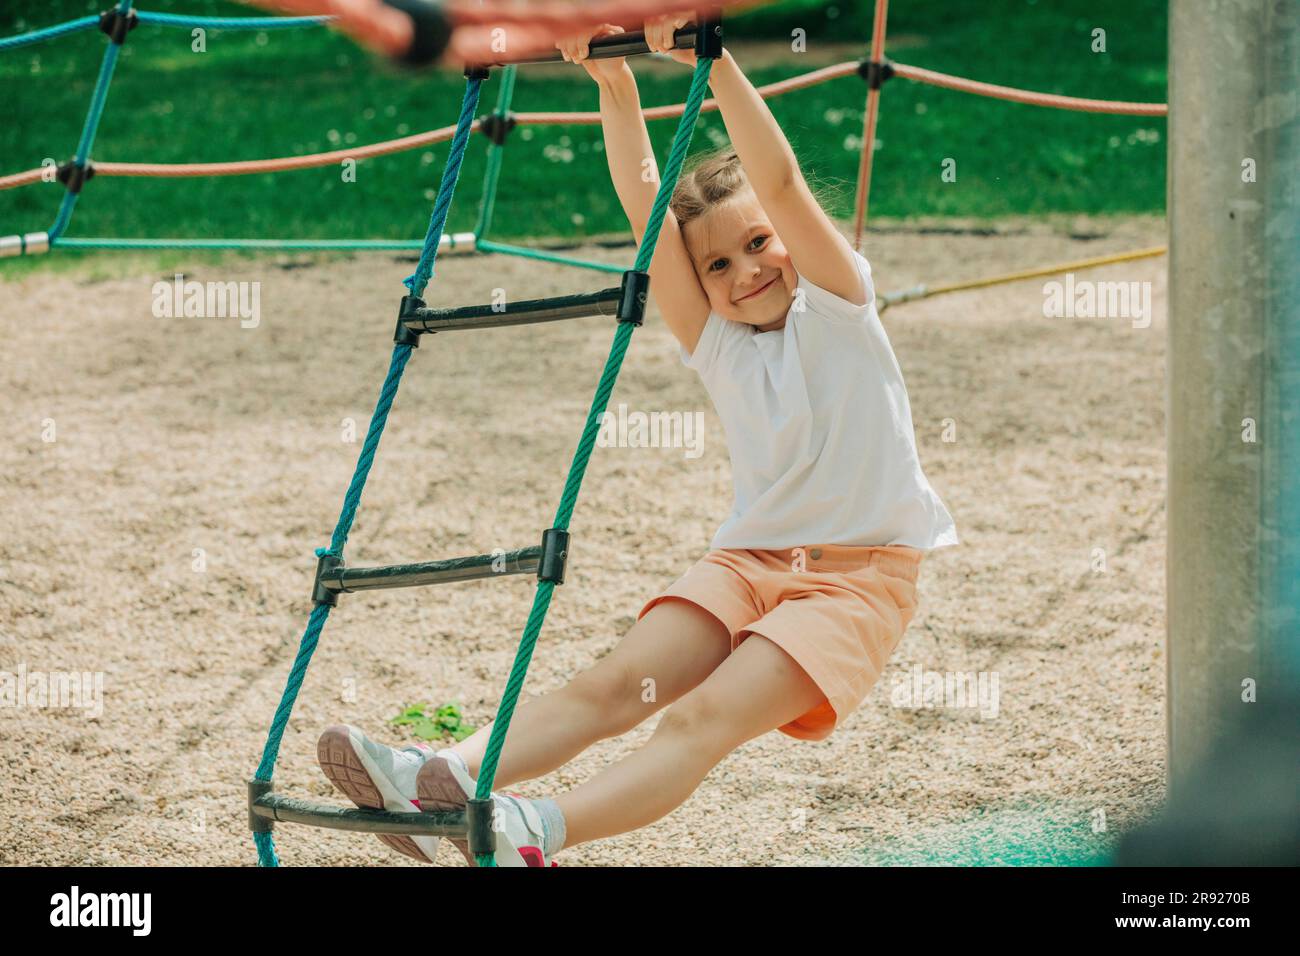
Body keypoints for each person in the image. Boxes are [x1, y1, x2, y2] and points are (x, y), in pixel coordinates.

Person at [317, 14, 958, 867]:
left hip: (853, 583)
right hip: (748, 563)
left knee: (695, 720)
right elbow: (647, 214)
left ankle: (533, 833)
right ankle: (441, 773)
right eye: (718, 267)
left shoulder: (841, 305)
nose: (746, 271)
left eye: (758, 242)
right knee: (614, 685)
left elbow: (781, 178)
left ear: (794, 238)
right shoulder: (720, 343)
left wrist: (712, 58)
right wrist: (615, 87)